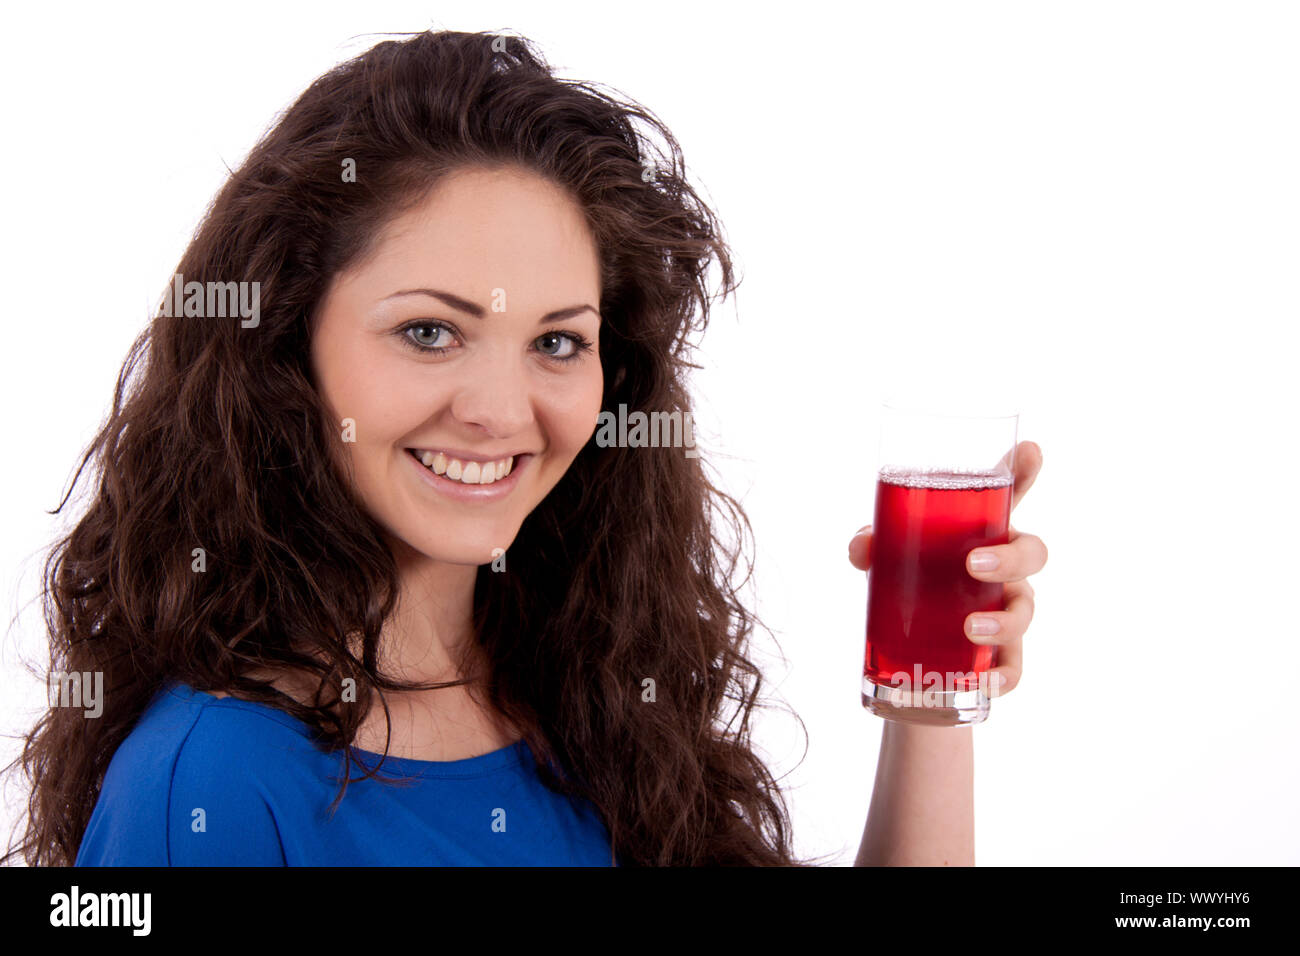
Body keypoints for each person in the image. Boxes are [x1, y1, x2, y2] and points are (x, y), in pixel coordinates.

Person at [3, 29, 1047, 867]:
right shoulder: (212, 784)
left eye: (556, 341)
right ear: (285, 340)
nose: (503, 411)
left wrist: (929, 707)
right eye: (429, 331)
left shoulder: (587, 689)